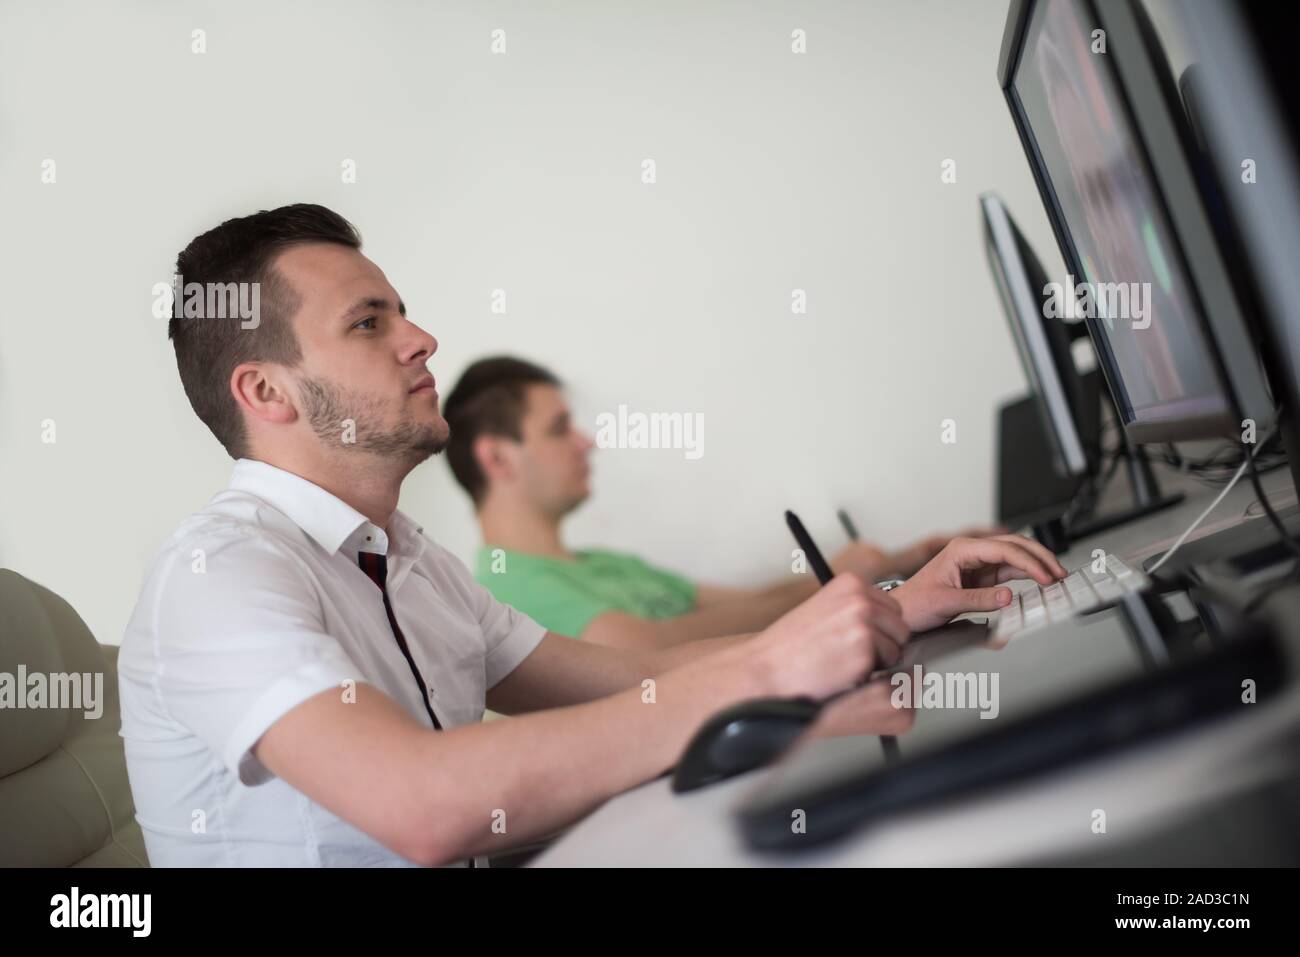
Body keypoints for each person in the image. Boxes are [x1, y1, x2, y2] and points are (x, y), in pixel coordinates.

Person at [118, 203, 1066, 867]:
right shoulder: (217, 574)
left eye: (402, 311)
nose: (422, 339)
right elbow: (425, 807)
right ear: (266, 391)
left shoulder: (409, 560)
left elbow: (633, 682)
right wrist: (771, 675)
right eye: (370, 323)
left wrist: (894, 607)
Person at [443, 355, 1007, 649]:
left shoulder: (602, 566)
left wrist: (906, 561)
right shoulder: (507, 588)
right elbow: (656, 650)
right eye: (560, 428)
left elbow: (751, 603)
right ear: (499, 459)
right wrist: (847, 585)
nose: (586, 441)